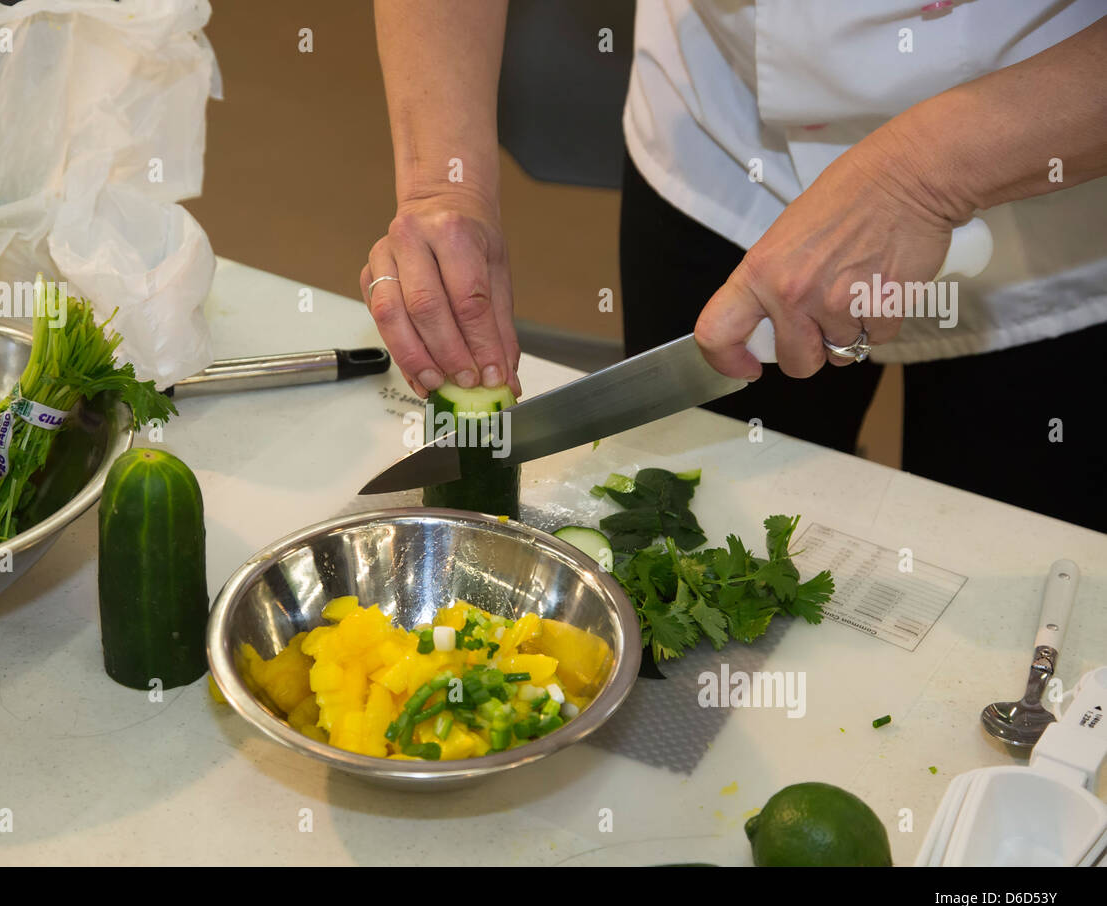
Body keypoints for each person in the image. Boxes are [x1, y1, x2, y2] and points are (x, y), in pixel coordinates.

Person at [361, 1, 1107, 531]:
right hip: (724, 135)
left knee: (1015, 545)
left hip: (1052, 170)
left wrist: (918, 177)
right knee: (712, 520)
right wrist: (442, 188)